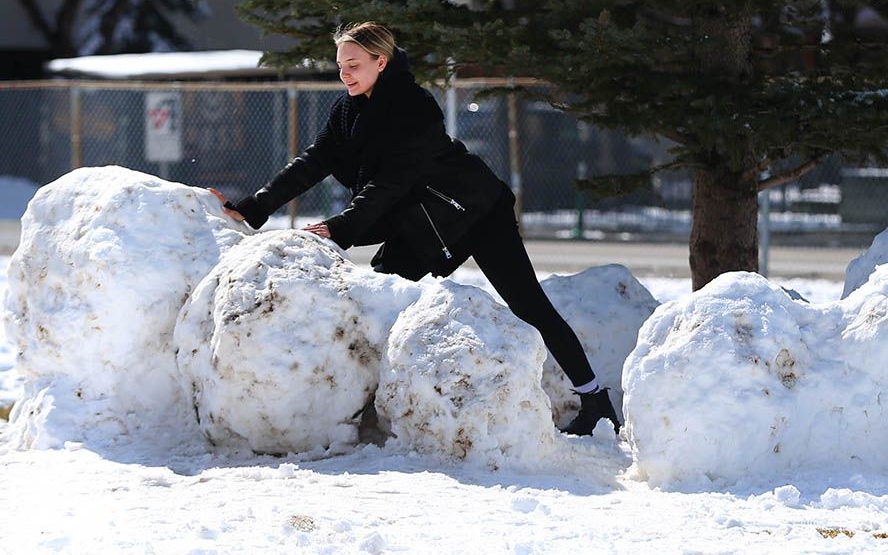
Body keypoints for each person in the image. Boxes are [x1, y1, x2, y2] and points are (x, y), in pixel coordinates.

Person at [210, 22, 619, 436]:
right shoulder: (347, 111)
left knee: (529, 305)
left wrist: (340, 227)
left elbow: (392, 182)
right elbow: (314, 162)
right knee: (383, 301)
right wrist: (253, 207)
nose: (344, 74)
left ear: (381, 62)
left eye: (353, 64)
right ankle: (370, 409)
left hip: (476, 211)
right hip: (418, 219)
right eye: (340, 66)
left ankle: (595, 402)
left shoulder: (415, 107)